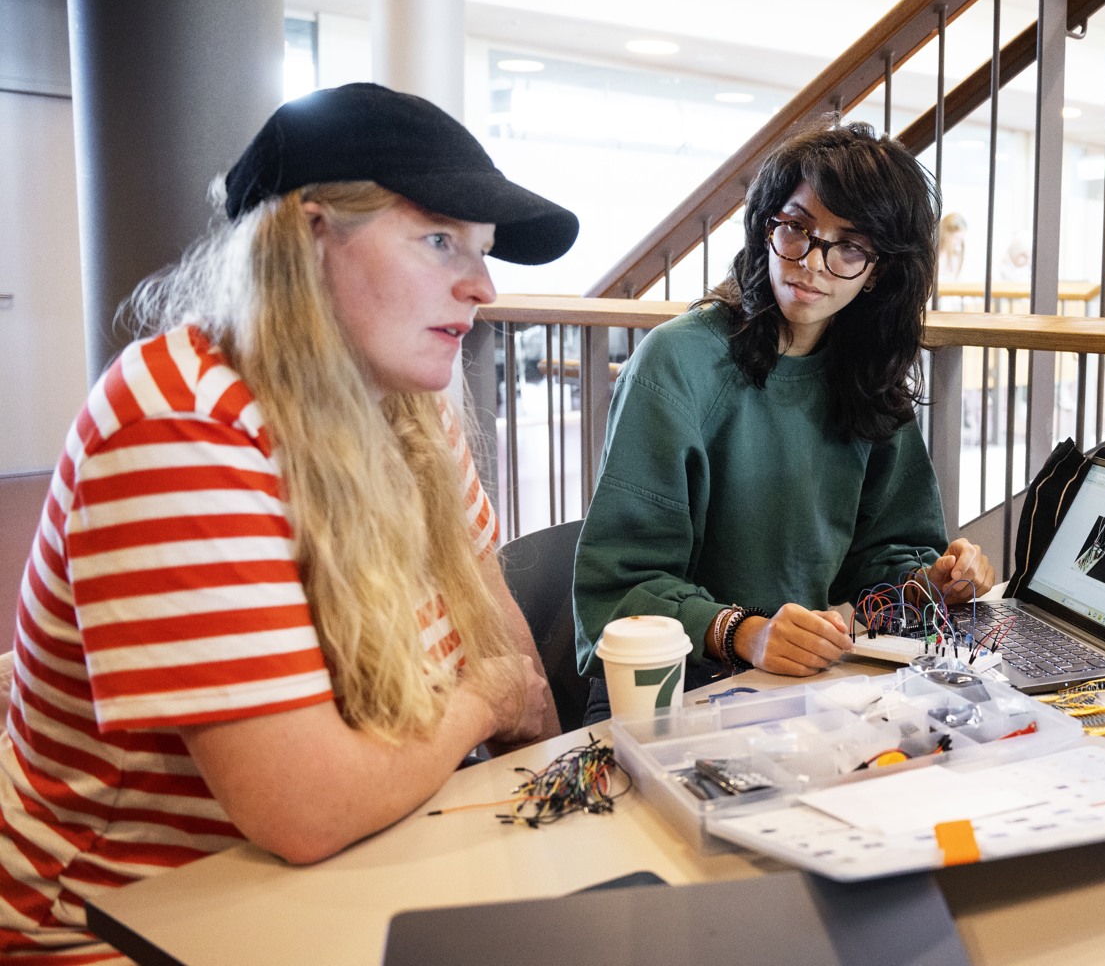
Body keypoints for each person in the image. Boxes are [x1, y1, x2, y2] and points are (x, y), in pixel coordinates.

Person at [0, 82, 573, 959]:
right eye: (438, 240)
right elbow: (306, 810)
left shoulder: (413, 412)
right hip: (120, 924)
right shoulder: (177, 423)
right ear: (308, 239)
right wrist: (481, 702)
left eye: (483, 250)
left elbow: (511, 663)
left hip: (344, 880)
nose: (483, 285)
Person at [574, 123, 993, 712]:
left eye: (849, 246)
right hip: (673, 690)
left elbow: (885, 554)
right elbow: (619, 591)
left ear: (879, 271)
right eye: (797, 228)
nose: (812, 262)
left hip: (812, 687)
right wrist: (747, 632)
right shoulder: (676, 363)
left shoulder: (866, 373)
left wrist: (936, 580)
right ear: (766, 224)